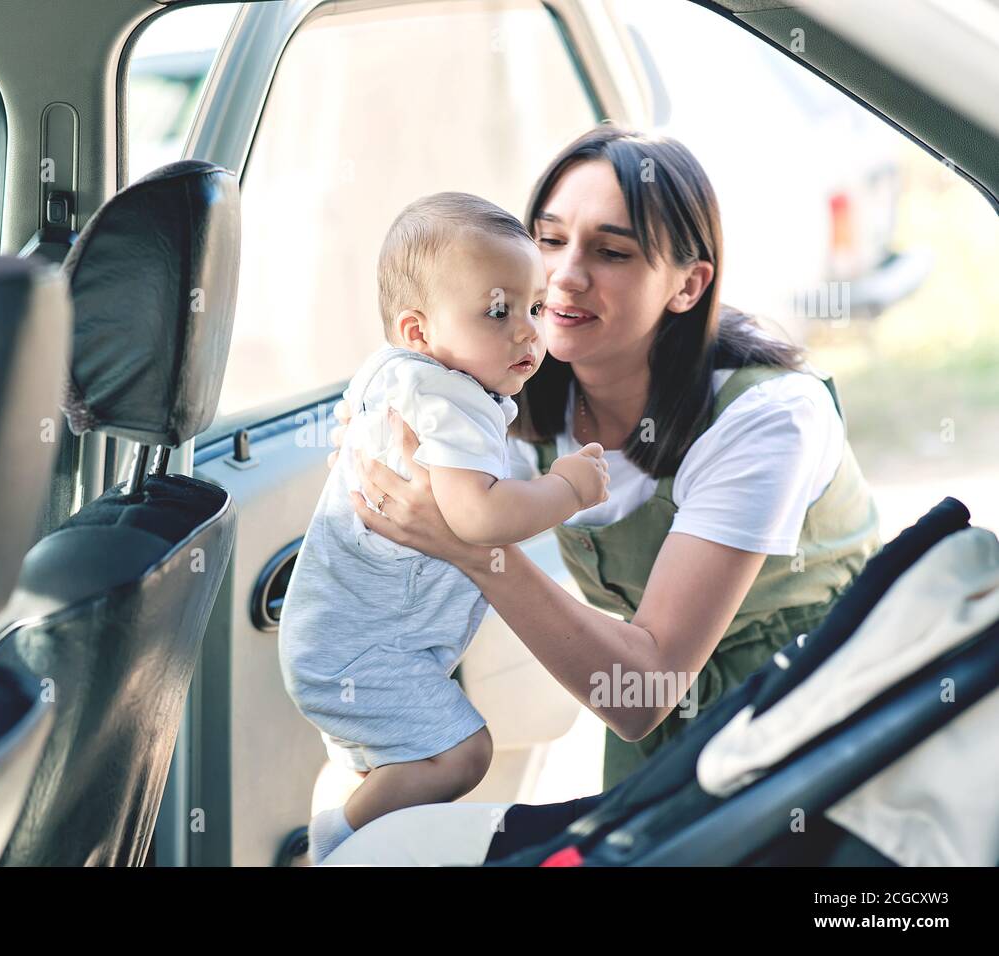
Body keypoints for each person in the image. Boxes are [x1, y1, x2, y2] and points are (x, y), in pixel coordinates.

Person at [321, 126, 881, 865]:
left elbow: (641, 689)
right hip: (654, 733)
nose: (563, 277)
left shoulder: (766, 419)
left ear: (688, 285)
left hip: (802, 726)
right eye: (548, 240)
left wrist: (467, 541)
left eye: (610, 252)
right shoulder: (511, 388)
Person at [278, 192, 610, 863]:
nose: (527, 332)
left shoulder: (402, 371)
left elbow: (361, 421)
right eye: (498, 311)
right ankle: (333, 844)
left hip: (343, 639)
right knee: (463, 755)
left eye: (532, 307)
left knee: (409, 765)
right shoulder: (446, 396)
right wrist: (566, 488)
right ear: (419, 332)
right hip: (368, 651)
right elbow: (477, 517)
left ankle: (364, 837)